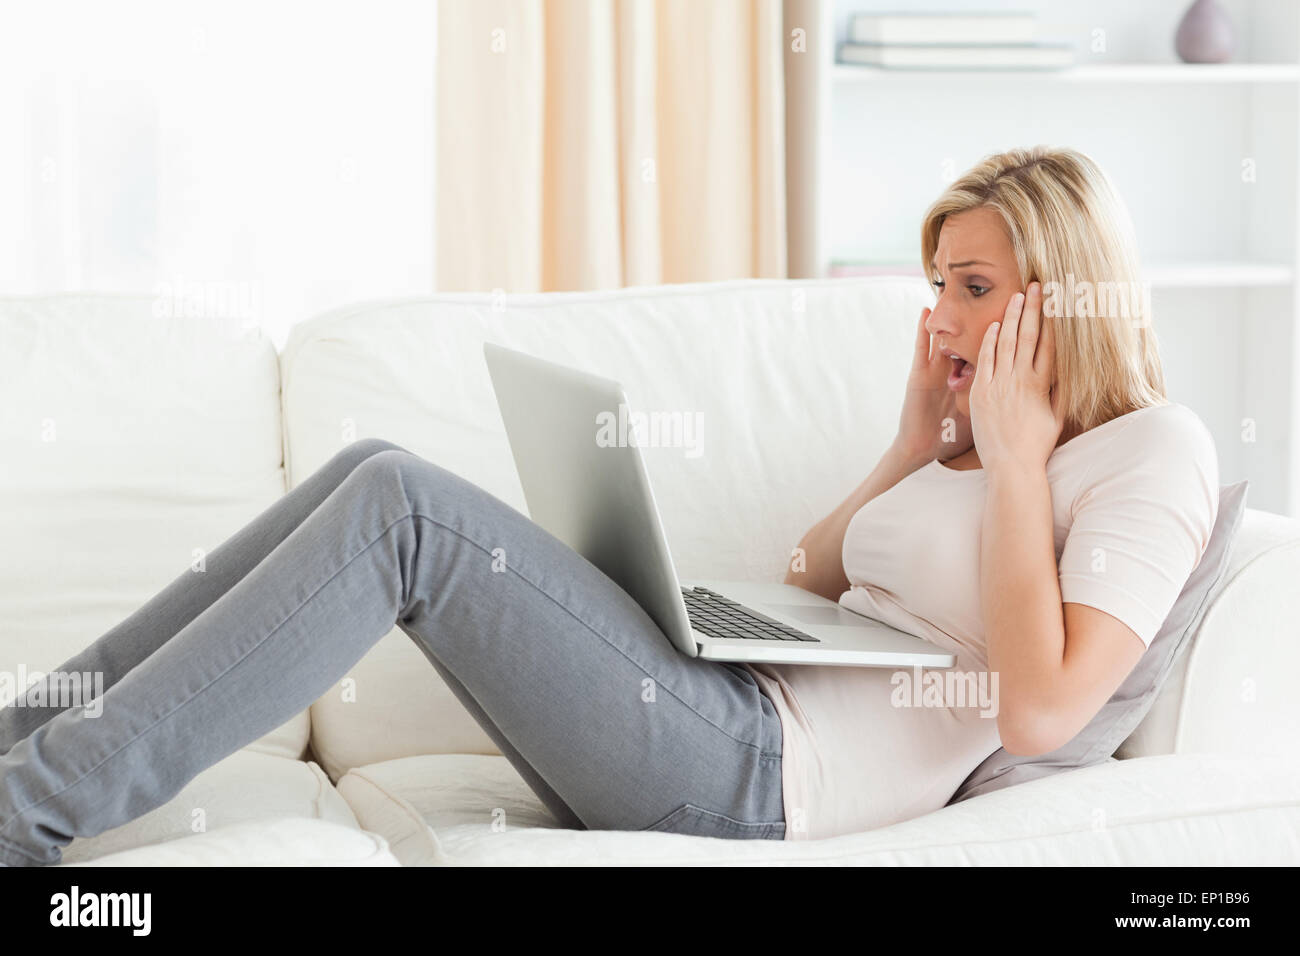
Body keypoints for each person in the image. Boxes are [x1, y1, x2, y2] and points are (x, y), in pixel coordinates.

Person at [0, 146, 1217, 865]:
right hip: (728, 702)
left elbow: (1044, 705)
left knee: (403, 510)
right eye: (935, 282)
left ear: (1065, 295)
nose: (939, 315)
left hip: (758, 778)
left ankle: (31, 810)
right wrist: (913, 444)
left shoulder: (1145, 452)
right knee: (369, 462)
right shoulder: (960, 445)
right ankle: (21, 739)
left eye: (971, 285)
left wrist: (1011, 465)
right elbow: (807, 580)